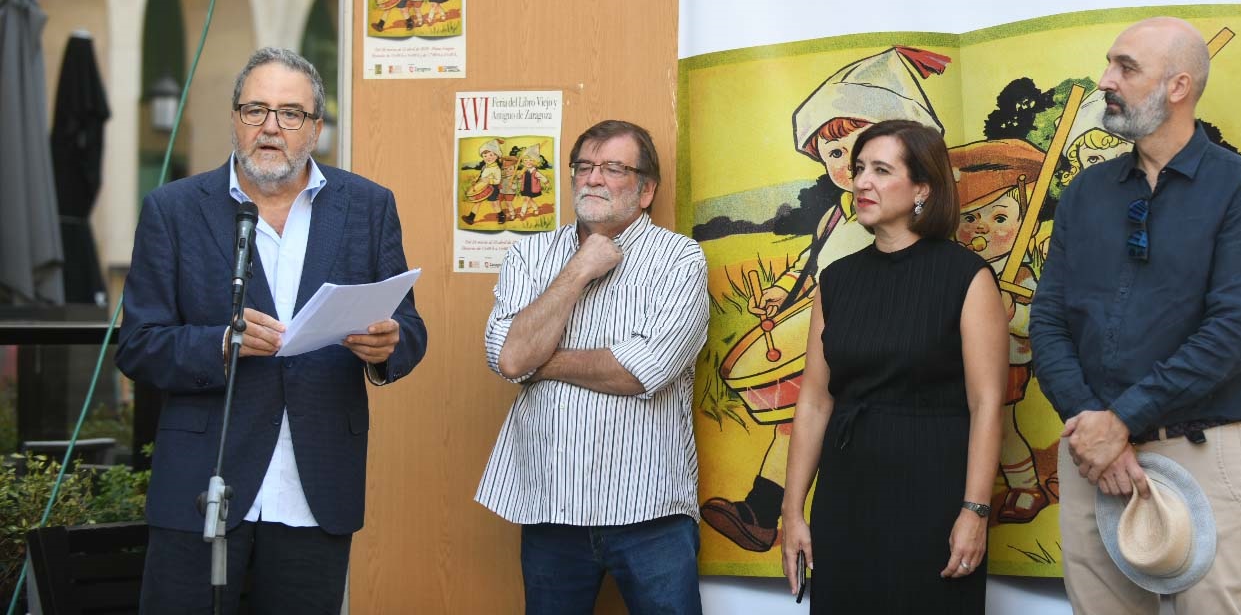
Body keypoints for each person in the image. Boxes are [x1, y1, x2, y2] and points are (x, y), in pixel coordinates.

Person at [116, 46, 428, 615]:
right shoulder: (174, 209)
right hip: (202, 483)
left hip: (316, 487)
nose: (270, 127)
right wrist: (219, 345)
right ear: (235, 118)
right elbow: (138, 344)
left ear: (315, 127)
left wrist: (388, 345)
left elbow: (408, 327)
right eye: (255, 110)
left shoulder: (367, 206)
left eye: (290, 114)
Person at [1028, 17, 1241, 615]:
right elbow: (1047, 320)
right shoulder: (1085, 193)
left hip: (1197, 449)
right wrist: (1091, 424)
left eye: (1126, 67)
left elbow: (1229, 336)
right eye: (1109, 64)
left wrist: (1122, 420)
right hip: (1090, 454)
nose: (1105, 80)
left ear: (1177, 87)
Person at [702, 45, 948, 553]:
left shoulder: (922, 253)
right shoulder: (838, 215)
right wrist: (780, 290)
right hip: (824, 338)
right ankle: (770, 512)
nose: (850, 169)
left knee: (795, 424)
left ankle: (764, 510)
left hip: (873, 371)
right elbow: (810, 264)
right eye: (835, 156)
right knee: (796, 419)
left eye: (862, 154)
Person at [477, 120, 709, 615]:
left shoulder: (680, 259)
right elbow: (512, 358)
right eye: (584, 167)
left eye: (613, 168)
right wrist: (579, 268)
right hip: (549, 505)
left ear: (646, 190)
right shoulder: (530, 254)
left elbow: (643, 370)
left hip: (650, 511)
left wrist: (544, 361)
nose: (593, 179)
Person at [779, 119, 1007, 614]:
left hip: (934, 495)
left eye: (881, 170)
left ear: (923, 187)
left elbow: (988, 403)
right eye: (860, 168)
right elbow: (816, 401)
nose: (861, 181)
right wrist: (792, 511)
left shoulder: (967, 278)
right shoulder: (836, 280)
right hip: (847, 496)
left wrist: (974, 510)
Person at [949, 137, 1052, 524]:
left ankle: (1026, 486)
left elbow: (1037, 323)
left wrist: (1012, 313)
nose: (983, 230)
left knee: (1002, 426)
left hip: (1004, 363)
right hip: (958, 365)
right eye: (970, 219)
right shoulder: (954, 268)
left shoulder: (1019, 274)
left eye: (1000, 218)